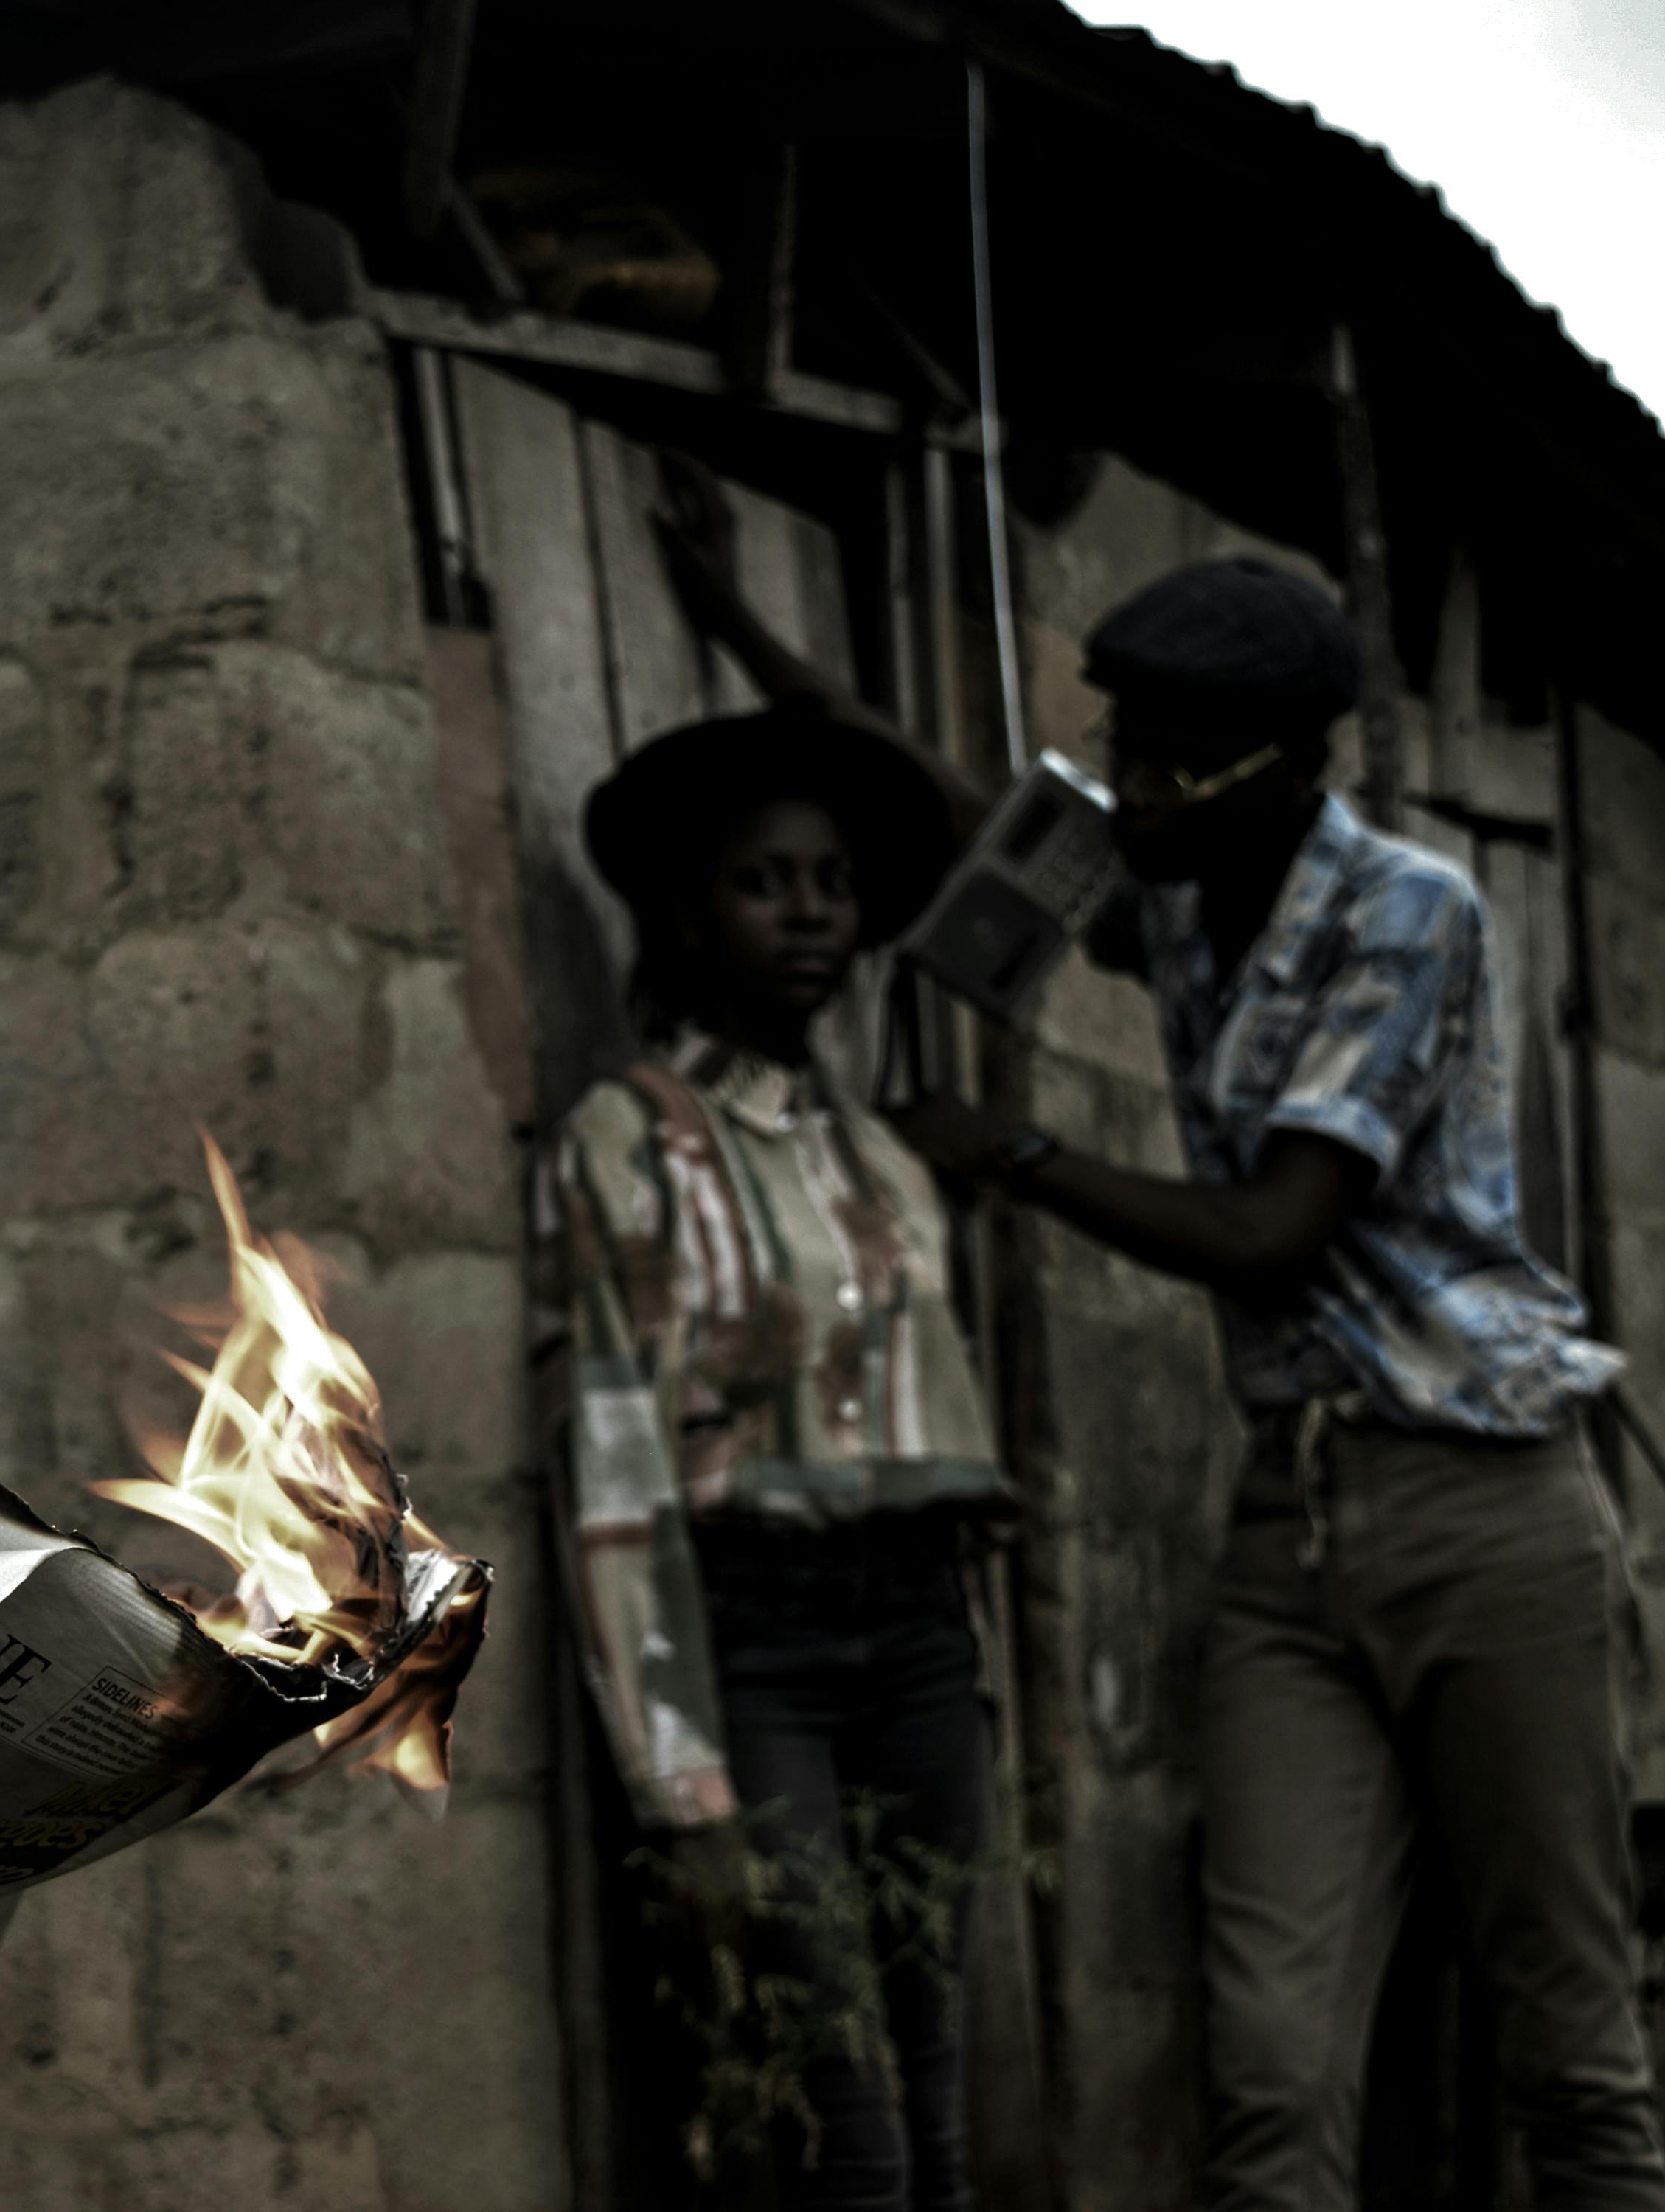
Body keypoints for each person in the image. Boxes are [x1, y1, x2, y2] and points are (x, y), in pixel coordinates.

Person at [889, 557, 1665, 2210]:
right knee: (1268, 2068)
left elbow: (1271, 1229)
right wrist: (794, 683)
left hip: (1483, 1510)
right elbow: (995, 823)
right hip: (1288, 1535)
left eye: (1171, 758)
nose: (1132, 784)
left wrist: (1012, 1154)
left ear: (1285, 769)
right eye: (1127, 740)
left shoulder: (1410, 909)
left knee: (1571, 2045)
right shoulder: (1173, 890)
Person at [529, 703, 1007, 2211]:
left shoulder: (879, 1159)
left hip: (922, 1638)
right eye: (761, 879)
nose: (806, 912)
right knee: (835, 2110)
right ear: (683, 908)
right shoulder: (624, 1140)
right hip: (756, 1642)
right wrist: (682, 1785)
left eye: (832, 882)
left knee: (935, 2102)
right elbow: (610, 1468)